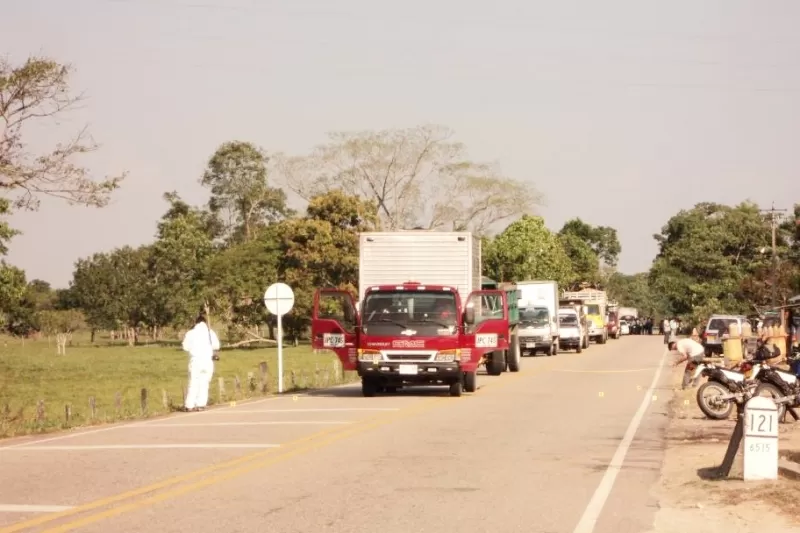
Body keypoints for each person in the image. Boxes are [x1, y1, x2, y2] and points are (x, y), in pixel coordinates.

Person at [182, 313, 221, 412]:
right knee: (204, 383)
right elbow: (216, 345)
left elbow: (185, 347)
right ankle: (201, 404)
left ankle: (189, 405)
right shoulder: (210, 332)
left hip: (195, 360)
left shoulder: (190, 333)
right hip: (207, 361)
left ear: (196, 323)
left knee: (193, 382)